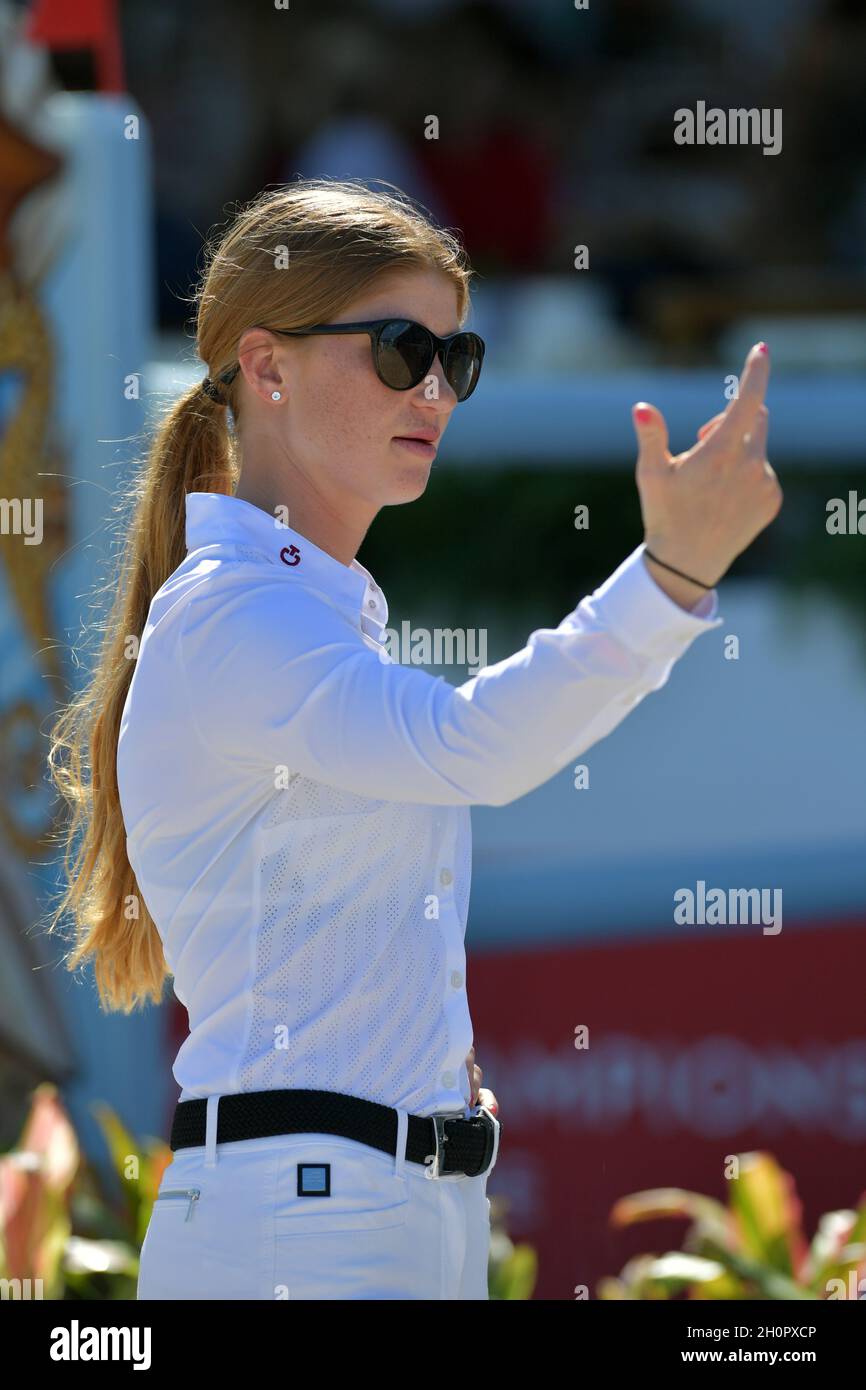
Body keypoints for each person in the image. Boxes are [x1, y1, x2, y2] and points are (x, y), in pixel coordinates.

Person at [44, 177, 781, 1300]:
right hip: (306, 1222)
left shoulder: (299, 611)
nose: (435, 387)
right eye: (399, 349)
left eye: (457, 359)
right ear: (268, 365)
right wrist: (667, 577)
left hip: (367, 1208)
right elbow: (469, 746)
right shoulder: (237, 611)